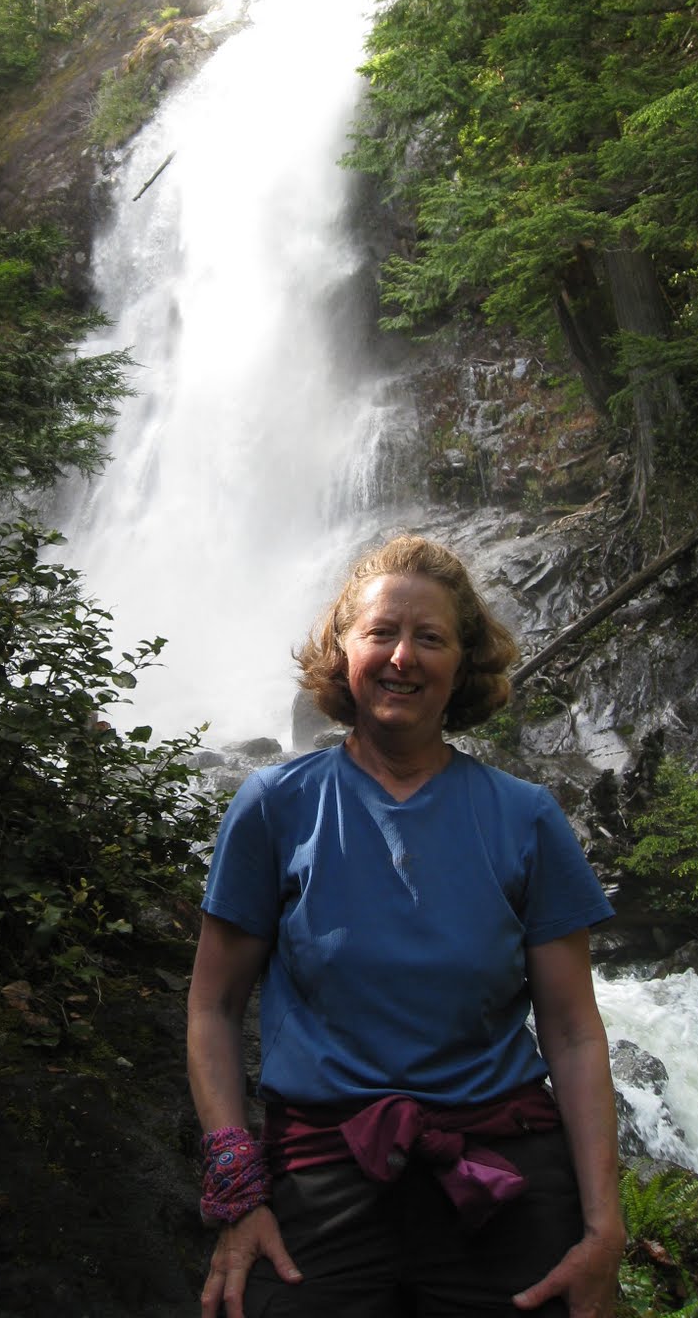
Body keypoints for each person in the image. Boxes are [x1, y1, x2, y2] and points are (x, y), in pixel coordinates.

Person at [187, 535, 625, 1318]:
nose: (402, 657)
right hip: (321, 1166)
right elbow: (213, 1008)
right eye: (381, 633)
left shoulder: (525, 818)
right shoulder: (274, 806)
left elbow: (573, 1031)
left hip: (502, 1168)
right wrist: (236, 1191)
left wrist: (604, 1231)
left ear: (464, 665)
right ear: (342, 650)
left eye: (430, 638)